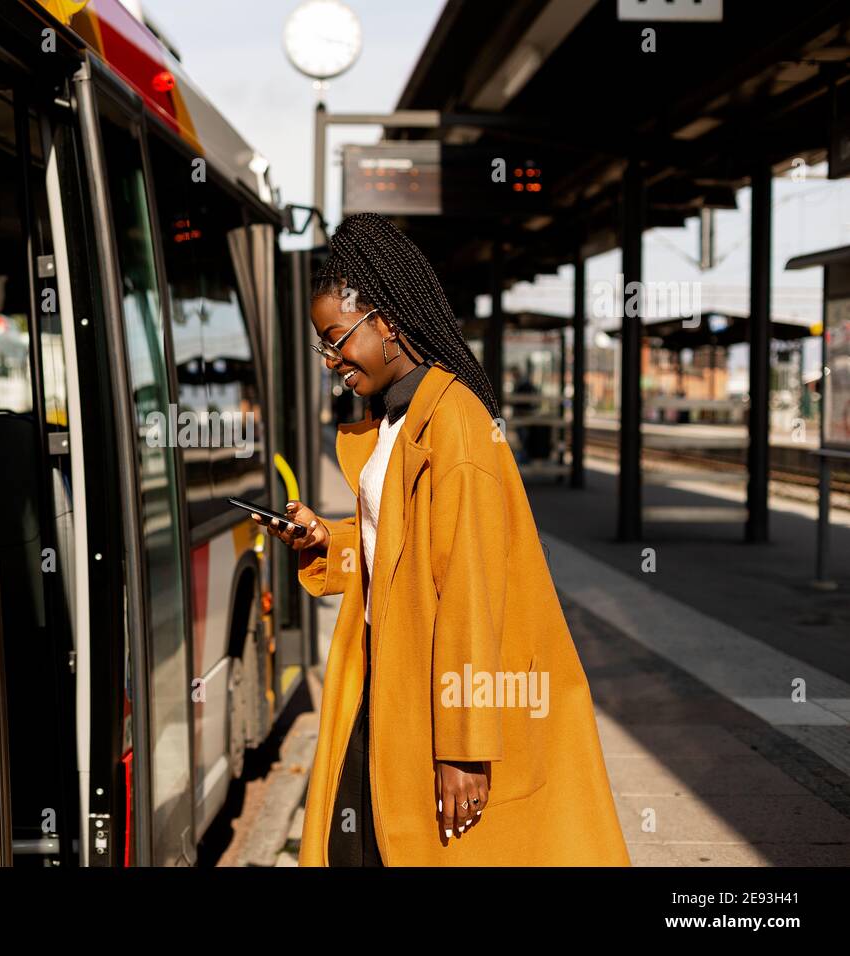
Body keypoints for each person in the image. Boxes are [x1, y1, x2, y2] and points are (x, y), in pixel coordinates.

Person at [252, 213, 629, 866]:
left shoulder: (454, 424)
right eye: (323, 346)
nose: (331, 360)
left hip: (443, 707)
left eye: (337, 339)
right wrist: (325, 540)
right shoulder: (400, 417)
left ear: (389, 321)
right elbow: (398, 549)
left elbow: (471, 588)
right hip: (394, 686)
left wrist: (463, 749)